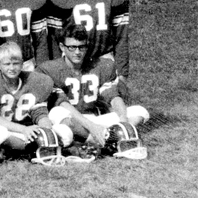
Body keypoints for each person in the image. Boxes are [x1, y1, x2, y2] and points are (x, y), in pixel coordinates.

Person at [38, 26, 149, 154]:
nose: (77, 52)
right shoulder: (49, 69)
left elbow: (113, 97)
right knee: (57, 113)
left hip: (94, 118)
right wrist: (92, 127)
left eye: (82, 47)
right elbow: (63, 104)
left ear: (88, 45)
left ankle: (100, 139)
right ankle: (111, 140)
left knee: (140, 111)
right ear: (62, 47)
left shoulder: (102, 65)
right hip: (72, 120)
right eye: (72, 47)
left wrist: (123, 120)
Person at [0, 41, 69, 160]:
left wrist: (45, 129)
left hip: (27, 130)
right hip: (8, 130)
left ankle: (22, 150)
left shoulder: (34, 80)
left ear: (22, 64)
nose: (12, 68)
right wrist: (24, 130)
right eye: (7, 64)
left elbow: (39, 113)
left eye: (16, 63)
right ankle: (31, 150)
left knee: (65, 132)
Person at [45, 0, 131, 78]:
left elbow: (121, 38)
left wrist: (122, 73)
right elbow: (54, 39)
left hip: (103, 58)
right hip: (73, 60)